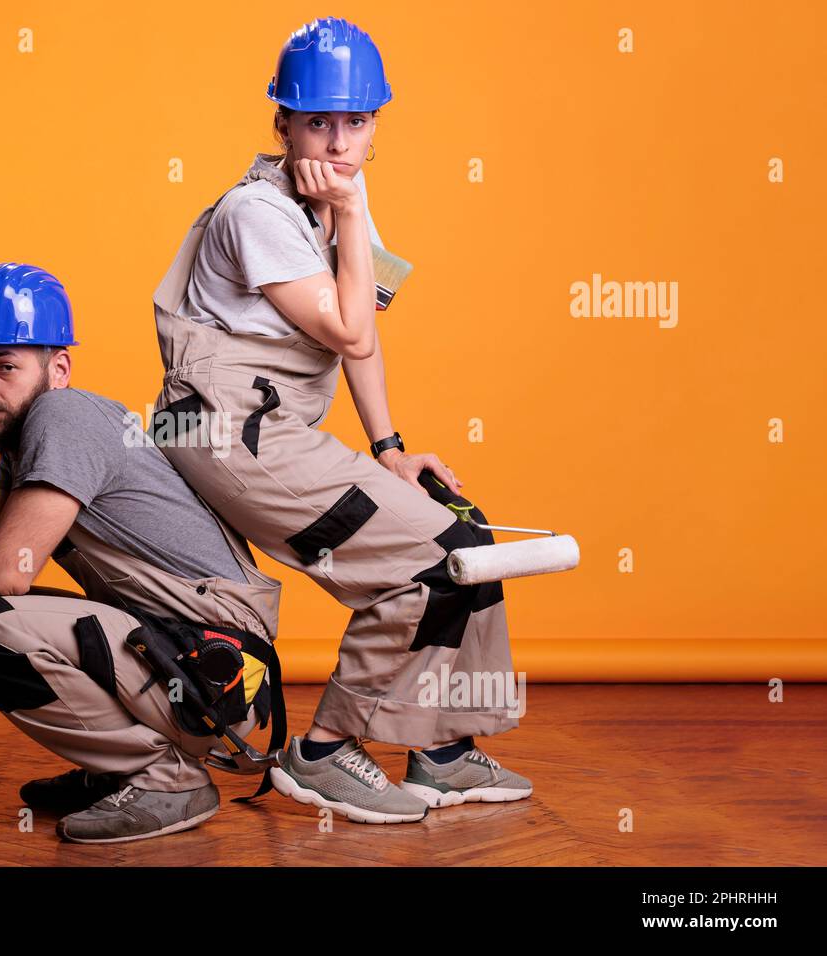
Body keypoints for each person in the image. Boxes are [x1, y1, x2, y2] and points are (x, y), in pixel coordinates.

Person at [147, 17, 532, 823]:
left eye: (355, 122)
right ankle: (322, 752)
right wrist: (353, 218)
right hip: (221, 430)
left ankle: (443, 751)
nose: (336, 142)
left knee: (464, 531)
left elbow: (364, 334)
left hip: (275, 428)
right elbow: (349, 328)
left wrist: (388, 447)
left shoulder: (340, 206)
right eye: (317, 121)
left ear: (374, 126)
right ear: (280, 121)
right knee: (430, 559)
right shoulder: (258, 211)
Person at [0, 262, 290, 843]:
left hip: (219, 674)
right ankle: (118, 767)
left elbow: (4, 567)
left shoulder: (63, 414)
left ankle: (162, 777)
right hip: (177, 650)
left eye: (5, 367)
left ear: (59, 369)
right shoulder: (30, 426)